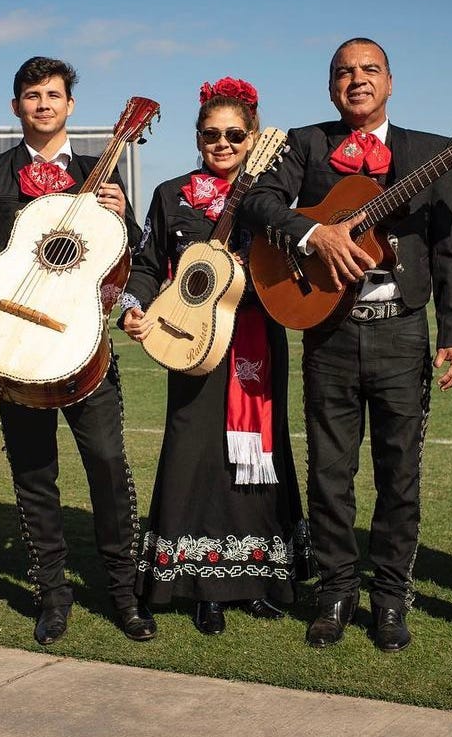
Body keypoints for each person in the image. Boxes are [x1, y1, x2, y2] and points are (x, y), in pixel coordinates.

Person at [240, 38, 452, 650]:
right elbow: (258, 202)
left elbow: (451, 252)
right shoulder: (305, 143)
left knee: (400, 476)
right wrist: (314, 234)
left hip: (402, 332)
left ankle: (391, 596)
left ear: (390, 82)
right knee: (330, 472)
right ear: (330, 86)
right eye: (345, 72)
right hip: (329, 332)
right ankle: (336, 590)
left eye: (370, 70)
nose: (357, 80)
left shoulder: (432, 152)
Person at [0, 56, 153, 645]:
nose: (42, 104)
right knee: (34, 477)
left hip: (86, 349)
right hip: (16, 345)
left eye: (53, 94)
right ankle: (52, 594)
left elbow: (131, 257)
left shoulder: (98, 174)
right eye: (31, 94)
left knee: (109, 467)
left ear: (70, 106)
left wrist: (122, 219)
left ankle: (123, 592)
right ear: (16, 106)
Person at [121, 77, 308, 635]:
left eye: (233, 134)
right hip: (190, 340)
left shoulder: (270, 200)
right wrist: (136, 305)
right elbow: (150, 262)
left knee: (257, 456)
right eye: (210, 134)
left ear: (254, 137)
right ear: (197, 137)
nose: (221, 143)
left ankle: (260, 580)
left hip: (254, 338)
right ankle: (202, 585)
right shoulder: (171, 194)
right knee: (194, 455)